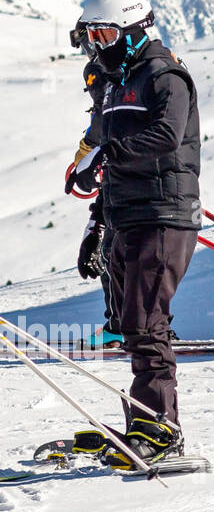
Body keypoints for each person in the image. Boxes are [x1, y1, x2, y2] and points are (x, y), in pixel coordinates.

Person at [65, 0, 201, 466]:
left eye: (105, 34)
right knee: (129, 325)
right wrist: (96, 226)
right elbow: (107, 160)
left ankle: (162, 430)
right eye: (90, 37)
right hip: (126, 215)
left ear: (134, 29)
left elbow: (166, 136)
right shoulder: (114, 83)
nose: (97, 45)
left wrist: (109, 154)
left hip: (164, 214)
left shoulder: (165, 76)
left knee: (146, 323)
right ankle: (142, 421)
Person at [65, 30, 121, 348]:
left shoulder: (104, 69)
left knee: (118, 251)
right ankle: (136, 325)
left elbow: (105, 117)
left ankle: (127, 326)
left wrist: (89, 150)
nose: (89, 49)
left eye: (91, 39)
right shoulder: (125, 66)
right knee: (125, 251)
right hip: (129, 172)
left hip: (127, 172)